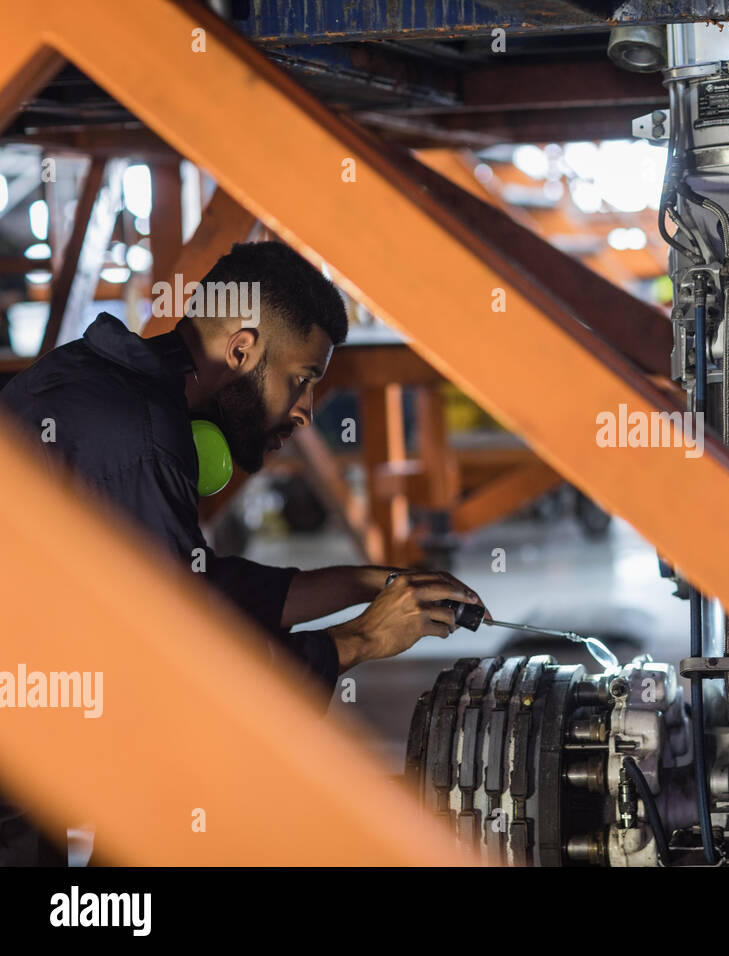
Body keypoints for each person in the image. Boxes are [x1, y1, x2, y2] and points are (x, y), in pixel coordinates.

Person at [0, 240, 486, 864]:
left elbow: (185, 585)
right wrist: (360, 640)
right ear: (241, 348)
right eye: (301, 380)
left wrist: (374, 581)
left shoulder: (100, 383)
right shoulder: (139, 438)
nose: (308, 411)